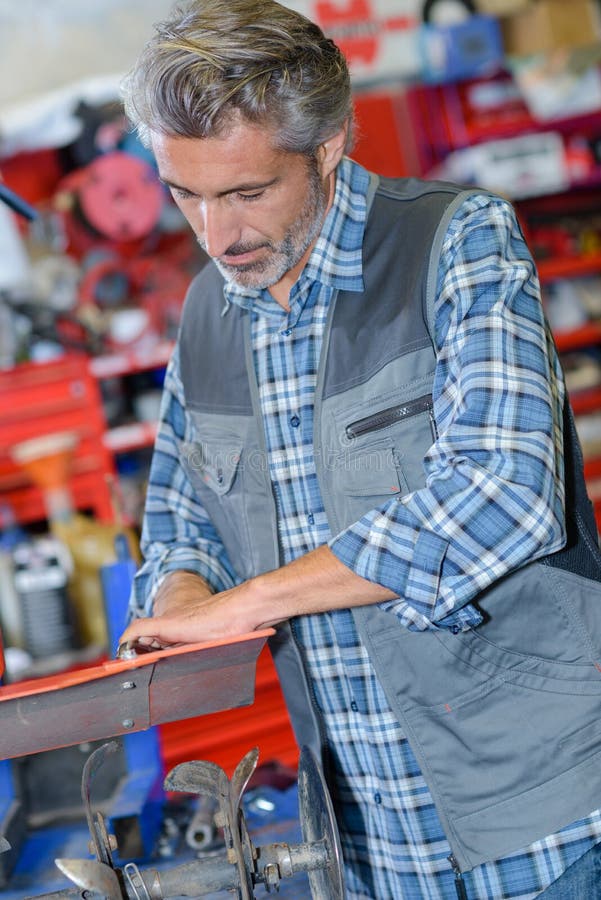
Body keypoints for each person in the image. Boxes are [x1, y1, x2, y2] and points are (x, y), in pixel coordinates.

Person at [118, 1, 601, 896]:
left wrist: (248, 602)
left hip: (538, 818)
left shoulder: (455, 241)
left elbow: (506, 494)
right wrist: (185, 595)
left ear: (330, 145)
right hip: (363, 839)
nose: (215, 236)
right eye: (185, 193)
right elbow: (182, 519)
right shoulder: (206, 318)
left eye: (246, 192)